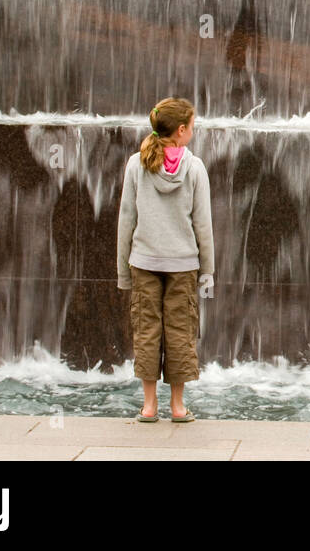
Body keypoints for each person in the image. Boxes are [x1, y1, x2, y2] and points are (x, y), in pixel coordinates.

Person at [116, 97, 214, 422]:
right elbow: (203, 224)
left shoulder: (136, 164)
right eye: (193, 127)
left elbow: (126, 219)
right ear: (182, 130)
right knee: (180, 331)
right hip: (183, 265)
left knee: (146, 330)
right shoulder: (195, 168)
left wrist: (122, 270)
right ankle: (178, 406)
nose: (193, 132)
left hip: (143, 262)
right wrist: (208, 270)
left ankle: (148, 406)